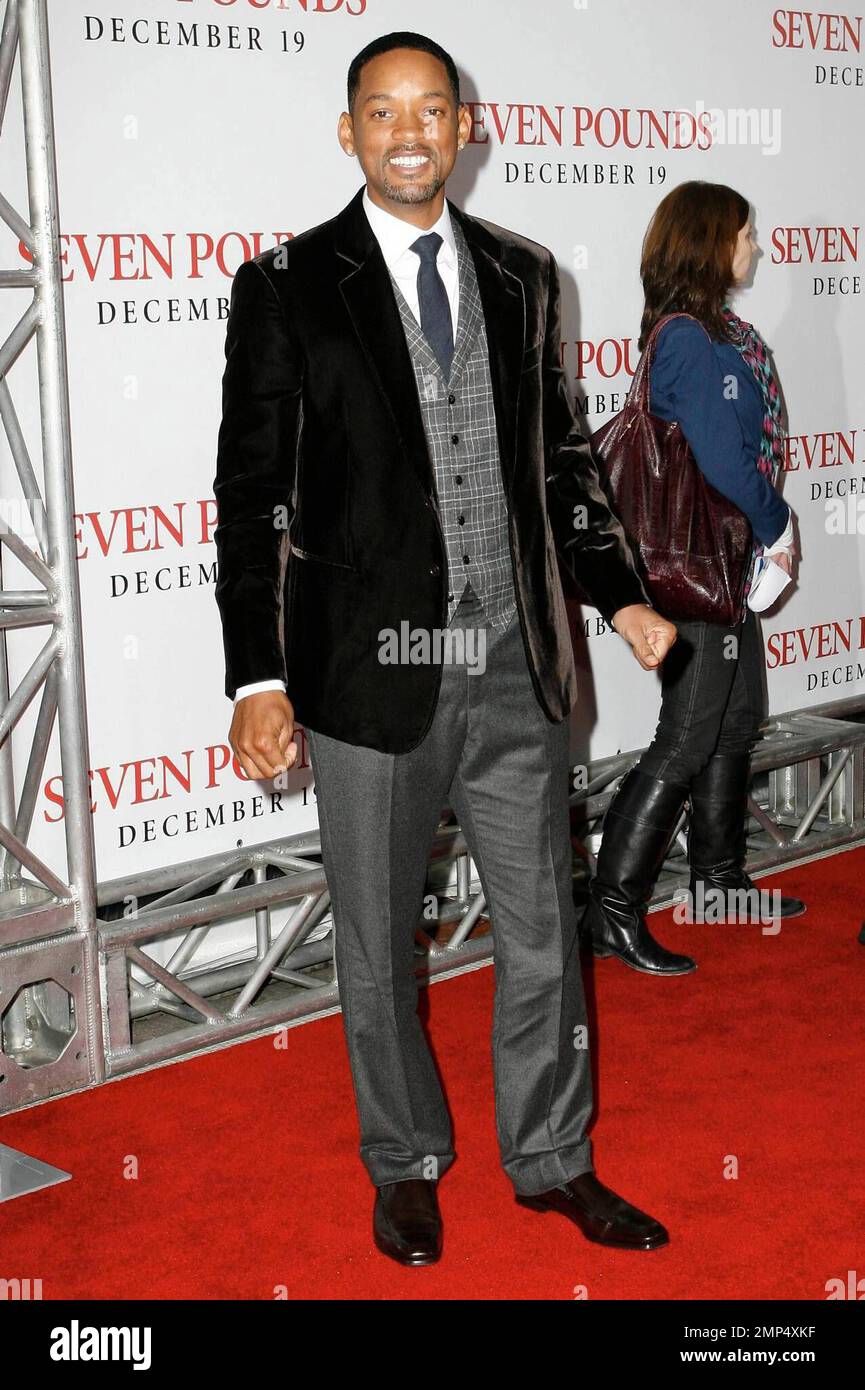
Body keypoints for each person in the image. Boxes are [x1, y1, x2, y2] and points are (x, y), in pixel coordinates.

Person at [213, 31, 679, 1266]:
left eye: (432, 109)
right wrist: (255, 674)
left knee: (543, 936)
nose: (410, 131)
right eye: (383, 111)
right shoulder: (288, 284)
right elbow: (251, 490)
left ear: (464, 127)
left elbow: (567, 464)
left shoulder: (525, 275)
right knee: (378, 950)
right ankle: (406, 1161)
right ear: (349, 131)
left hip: (517, 670)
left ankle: (553, 1160)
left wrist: (618, 594)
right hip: (364, 684)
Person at [583, 180, 805, 980]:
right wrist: (780, 526)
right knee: (685, 735)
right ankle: (611, 911)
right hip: (694, 566)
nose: (754, 248)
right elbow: (718, 458)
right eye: (745, 235)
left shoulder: (719, 333)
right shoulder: (685, 338)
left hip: (725, 565)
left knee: (737, 717)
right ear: (712, 243)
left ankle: (716, 880)